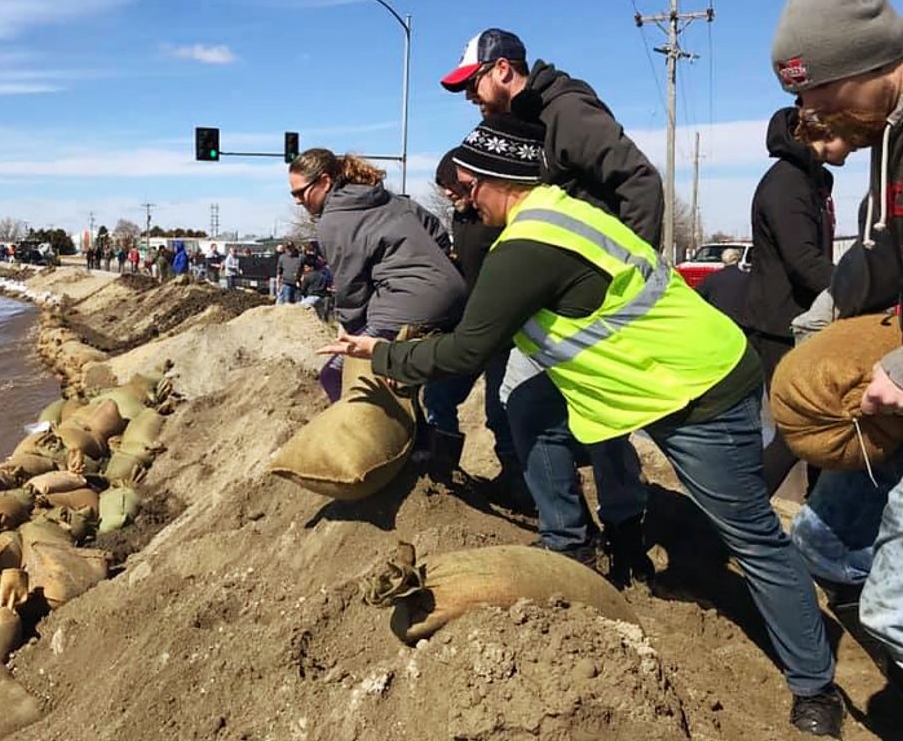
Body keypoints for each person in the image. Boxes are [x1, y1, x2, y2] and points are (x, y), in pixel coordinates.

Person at [325, 97, 841, 737]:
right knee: (532, 403)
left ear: (497, 182)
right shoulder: (560, 211)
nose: (463, 202)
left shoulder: (526, 248)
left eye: (469, 189)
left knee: (752, 536)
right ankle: (571, 540)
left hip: (696, 390)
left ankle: (816, 687)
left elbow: (467, 348)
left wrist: (382, 351)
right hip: (645, 380)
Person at [439, 27, 657, 575]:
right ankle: (573, 535)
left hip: (593, 298)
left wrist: (626, 283)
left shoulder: (566, 112)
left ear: (505, 69)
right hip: (552, 299)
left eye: (474, 81)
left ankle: (619, 538)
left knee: (596, 413)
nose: (469, 95)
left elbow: (639, 182)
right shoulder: (521, 122)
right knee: (533, 401)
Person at [771, 0, 903, 698]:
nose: (813, 114)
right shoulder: (888, 133)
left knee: (893, 613)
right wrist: (826, 315)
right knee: (821, 542)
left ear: (870, 63)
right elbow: (887, 251)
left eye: (821, 96)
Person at [288, 147, 469, 477]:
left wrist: (354, 334)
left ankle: (396, 455)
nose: (297, 201)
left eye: (300, 192)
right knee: (413, 380)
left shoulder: (334, 221)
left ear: (325, 182)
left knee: (336, 373)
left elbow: (350, 287)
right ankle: (437, 453)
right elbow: (437, 233)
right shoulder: (386, 199)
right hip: (453, 295)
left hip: (409, 302)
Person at [432, 149, 527, 500]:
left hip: (507, 335)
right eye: (442, 186)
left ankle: (519, 483)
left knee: (499, 411)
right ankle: (443, 471)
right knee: (440, 394)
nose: (446, 192)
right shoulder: (461, 220)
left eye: (451, 185)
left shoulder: (500, 219)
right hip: (469, 327)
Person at [741, 107, 845, 389]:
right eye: (849, 133)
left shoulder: (812, 180)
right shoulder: (787, 183)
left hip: (802, 316)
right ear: (826, 133)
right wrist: (857, 292)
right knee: (796, 424)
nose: (856, 144)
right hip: (781, 326)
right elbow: (803, 260)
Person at [696, 247, 750, 324]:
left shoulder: (712, 278)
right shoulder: (747, 278)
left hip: (717, 322)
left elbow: (697, 296)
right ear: (737, 260)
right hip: (741, 324)